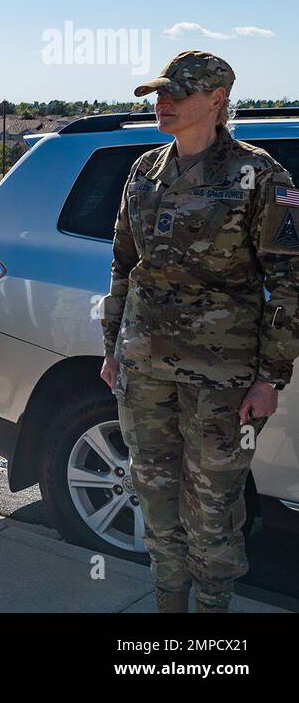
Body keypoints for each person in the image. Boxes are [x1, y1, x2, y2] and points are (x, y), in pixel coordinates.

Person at [101, 50, 298, 612]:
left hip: (224, 378)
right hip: (143, 369)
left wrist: (269, 379)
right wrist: (111, 346)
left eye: (177, 93)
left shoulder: (264, 176)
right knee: (156, 502)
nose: (162, 103)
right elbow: (123, 264)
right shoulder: (144, 171)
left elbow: (288, 283)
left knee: (213, 511)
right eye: (159, 93)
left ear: (216, 100)